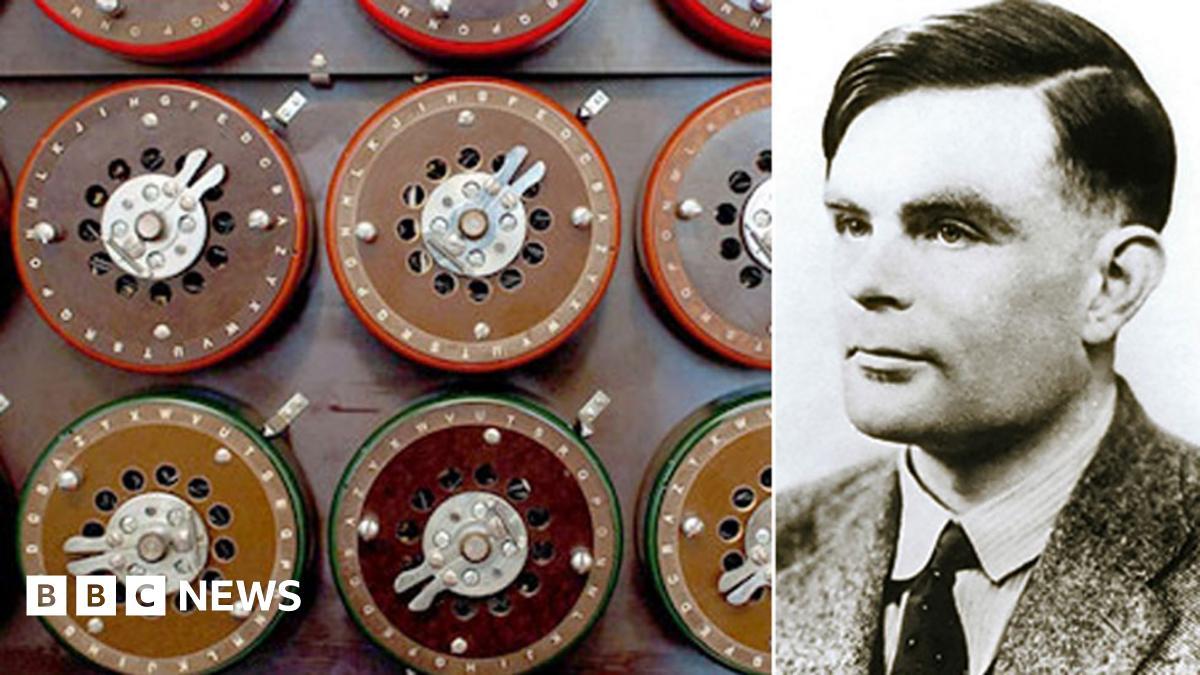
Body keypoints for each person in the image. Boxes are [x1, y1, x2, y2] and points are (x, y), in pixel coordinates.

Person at [775, 1, 1200, 672]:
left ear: (1112, 284)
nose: (866, 283)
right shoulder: (775, 545)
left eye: (950, 230)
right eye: (854, 225)